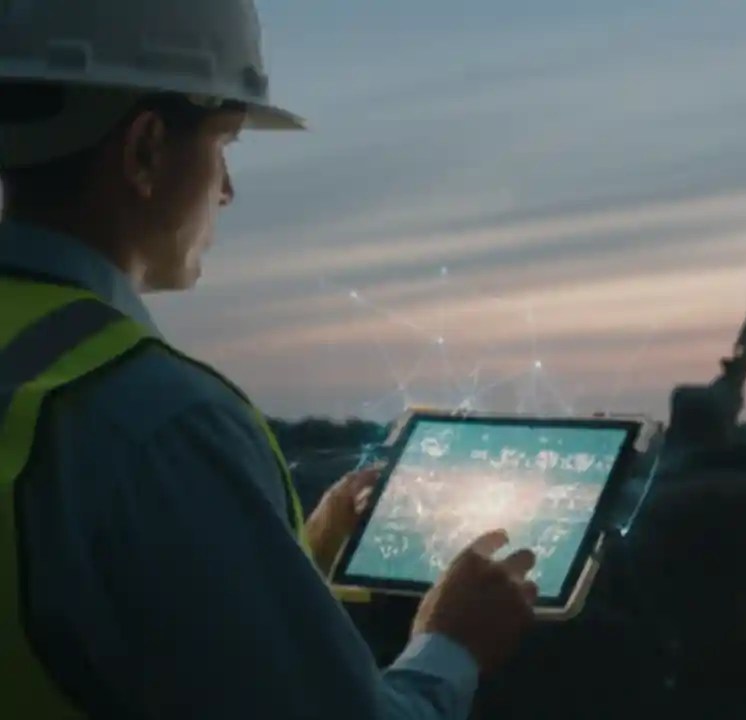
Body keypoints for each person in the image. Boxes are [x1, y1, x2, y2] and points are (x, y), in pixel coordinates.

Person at [0, 1, 538, 717]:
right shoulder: (160, 422)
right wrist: (452, 642)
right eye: (225, 144)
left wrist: (295, 556)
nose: (227, 190)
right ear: (147, 151)